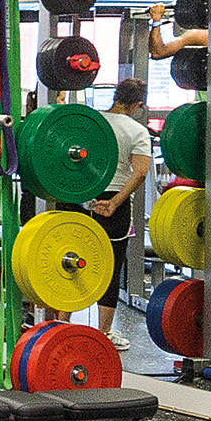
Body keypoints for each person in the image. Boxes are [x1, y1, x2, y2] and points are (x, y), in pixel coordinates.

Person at [87, 79, 154, 314]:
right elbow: (140, 173)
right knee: (110, 268)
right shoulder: (137, 131)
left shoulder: (90, 122)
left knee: (72, 258)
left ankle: (63, 323)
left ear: (115, 97)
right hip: (113, 199)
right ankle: (104, 332)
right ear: (138, 104)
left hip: (81, 195)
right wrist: (115, 203)